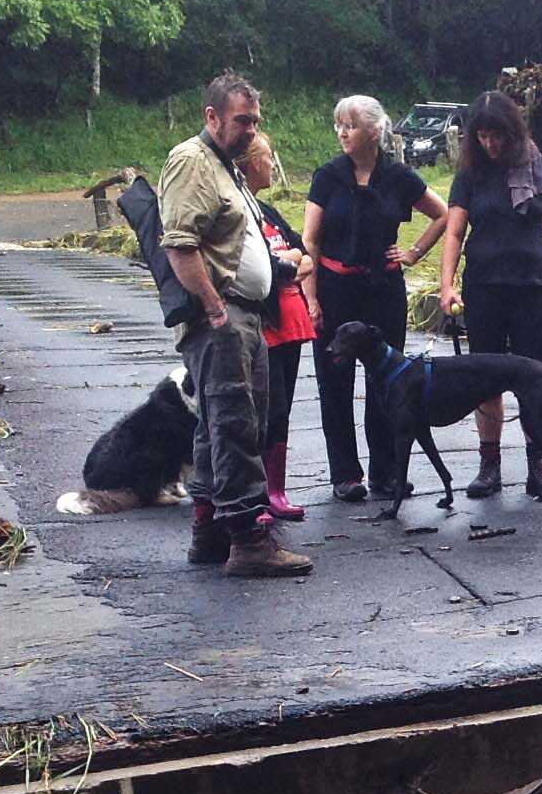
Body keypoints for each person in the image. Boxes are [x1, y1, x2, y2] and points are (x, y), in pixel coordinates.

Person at [157, 73, 312, 577]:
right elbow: (180, 244)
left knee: (225, 424)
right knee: (234, 424)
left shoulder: (226, 167)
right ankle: (248, 538)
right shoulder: (191, 162)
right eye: (242, 120)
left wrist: (274, 269)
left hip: (244, 311)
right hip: (221, 315)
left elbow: (233, 240)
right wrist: (215, 308)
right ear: (212, 116)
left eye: (255, 122)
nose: (251, 131)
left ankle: (209, 532)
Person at [437, 90, 542, 499]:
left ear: (512, 131)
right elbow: (454, 231)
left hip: (531, 289)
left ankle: (539, 465)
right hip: (483, 289)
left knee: (534, 379)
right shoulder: (470, 174)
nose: (490, 144)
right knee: (486, 380)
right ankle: (490, 465)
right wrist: (447, 286)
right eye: (481, 136)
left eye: (496, 135)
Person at [304, 96, 447, 501]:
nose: (342, 132)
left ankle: (387, 474)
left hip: (383, 290)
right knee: (335, 381)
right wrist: (311, 298)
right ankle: (345, 475)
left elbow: (444, 214)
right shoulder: (327, 176)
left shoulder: (399, 176)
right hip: (335, 287)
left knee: (388, 382)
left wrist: (414, 252)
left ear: (374, 131)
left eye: (349, 125)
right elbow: (310, 240)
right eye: (338, 125)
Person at [242, 133, 317, 524]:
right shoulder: (242, 212)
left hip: (290, 321)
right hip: (262, 323)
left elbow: (303, 258)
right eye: (268, 157)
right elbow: (261, 268)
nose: (272, 164)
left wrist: (285, 261)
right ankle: (256, 492)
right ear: (251, 162)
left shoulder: (269, 211)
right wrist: (284, 264)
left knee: (283, 406)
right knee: (262, 406)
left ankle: (277, 489)